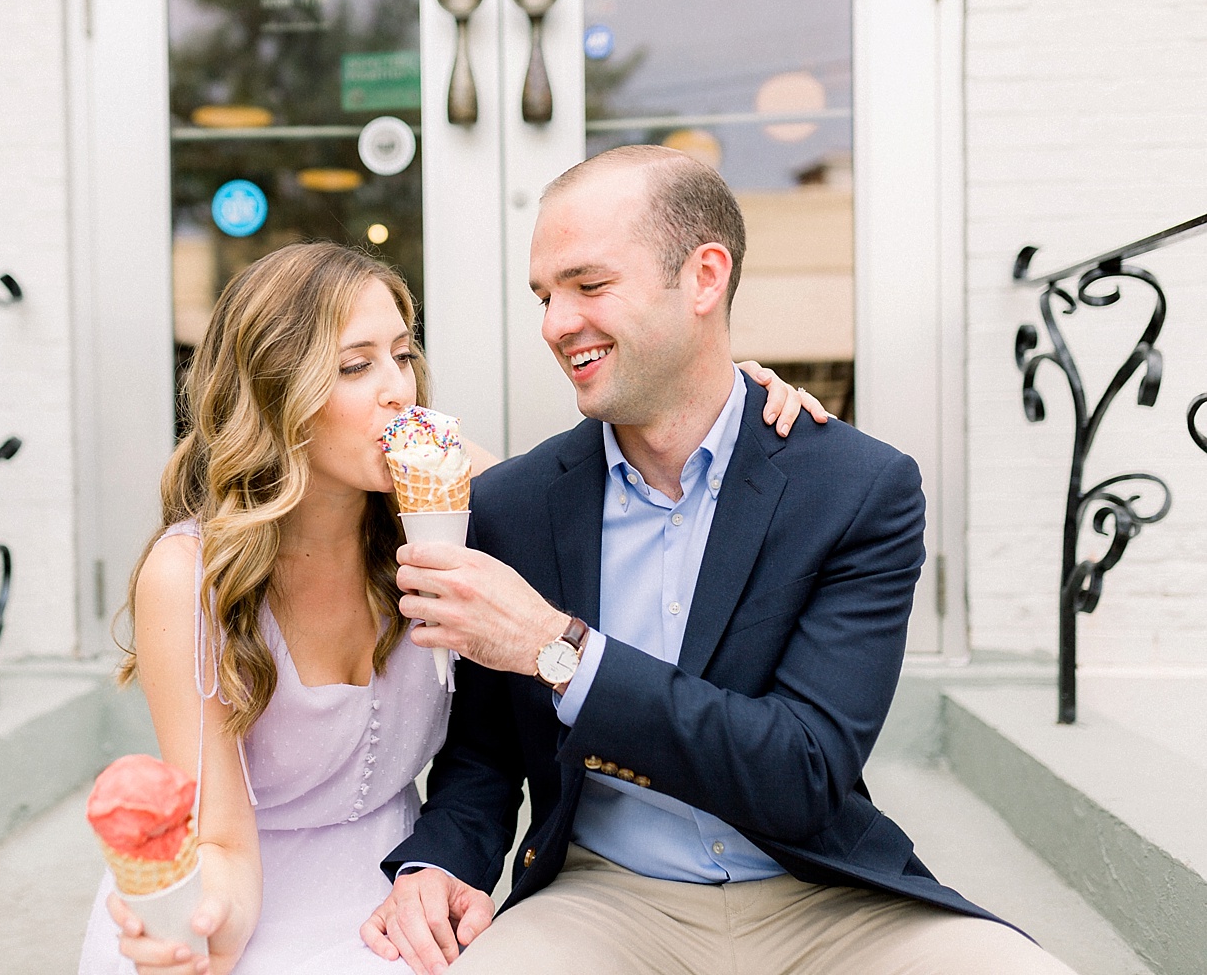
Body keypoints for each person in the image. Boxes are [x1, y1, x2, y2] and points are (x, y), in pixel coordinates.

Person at [362, 146, 1077, 975]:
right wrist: (436, 864)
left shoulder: (857, 488)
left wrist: (560, 651)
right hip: (603, 897)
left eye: (589, 286)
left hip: (826, 897)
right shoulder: (512, 506)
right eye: (545, 296)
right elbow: (481, 755)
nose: (557, 323)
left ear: (704, 278)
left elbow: (803, 772)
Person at [77, 240, 823, 975]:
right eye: (354, 366)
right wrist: (203, 937)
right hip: (244, 888)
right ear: (274, 396)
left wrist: (733, 403)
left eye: (402, 355)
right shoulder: (192, 574)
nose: (399, 390)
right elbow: (225, 845)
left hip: (403, 885)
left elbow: (641, 472)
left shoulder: (462, 504)